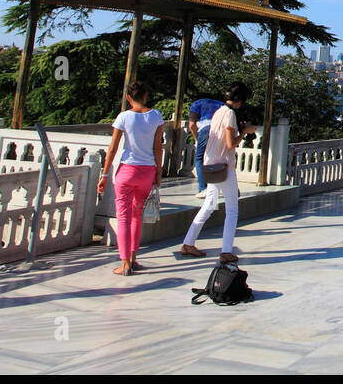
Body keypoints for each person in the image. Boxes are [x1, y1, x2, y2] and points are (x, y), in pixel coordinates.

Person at [180, 81, 252, 265]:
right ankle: (226, 251)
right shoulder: (229, 114)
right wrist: (244, 131)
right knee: (232, 210)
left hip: (210, 163)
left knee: (209, 204)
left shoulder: (218, 111)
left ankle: (188, 243)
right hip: (223, 166)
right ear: (239, 100)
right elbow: (230, 144)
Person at [98, 81, 164, 277]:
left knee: (124, 218)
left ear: (128, 97)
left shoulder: (124, 117)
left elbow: (113, 148)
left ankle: (124, 262)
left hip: (127, 170)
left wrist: (104, 174)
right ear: (146, 96)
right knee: (136, 216)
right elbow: (158, 147)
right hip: (147, 171)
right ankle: (134, 258)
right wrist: (158, 172)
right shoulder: (156, 115)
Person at [188, 94, 225, 197]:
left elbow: (191, 125)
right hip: (220, 130)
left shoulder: (196, 104)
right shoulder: (220, 104)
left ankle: (203, 189)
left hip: (205, 129)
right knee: (216, 158)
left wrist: (197, 138)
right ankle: (217, 187)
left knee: (200, 158)